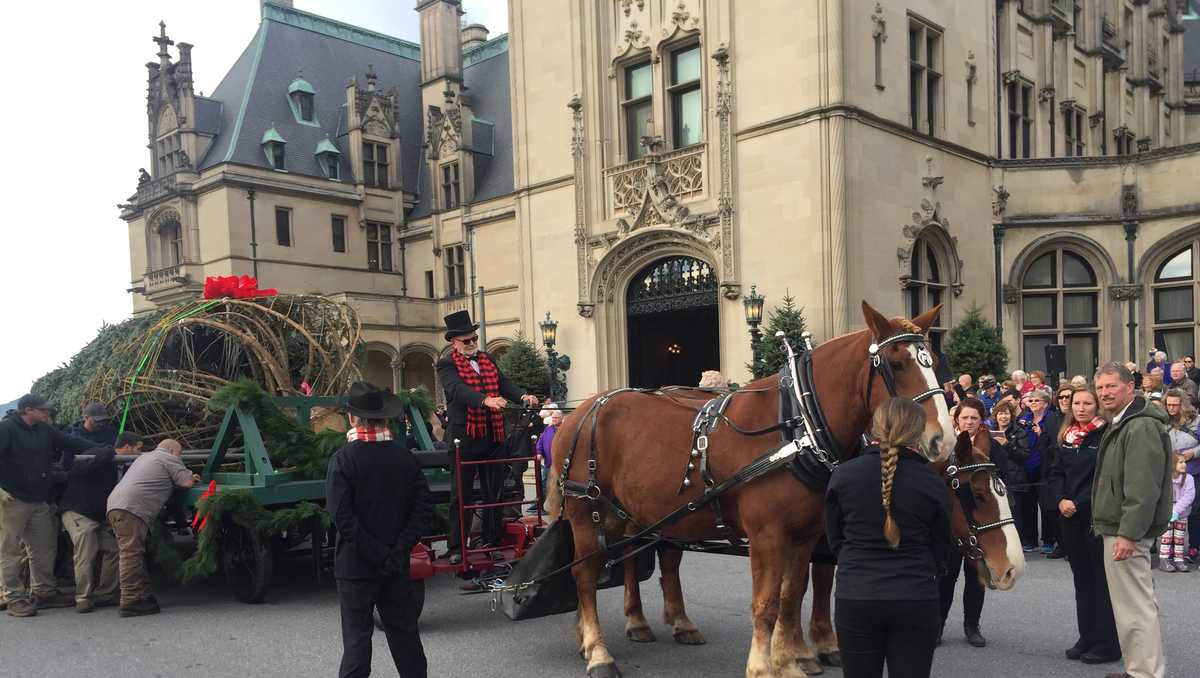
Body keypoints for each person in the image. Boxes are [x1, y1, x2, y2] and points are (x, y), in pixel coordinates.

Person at [825, 397, 951, 678]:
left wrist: (854, 562)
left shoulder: (844, 475)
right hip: (915, 595)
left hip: (857, 593)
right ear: (918, 432)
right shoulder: (931, 482)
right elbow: (942, 545)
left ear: (875, 427)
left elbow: (834, 538)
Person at [327, 382, 433, 678]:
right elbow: (423, 508)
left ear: (352, 418)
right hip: (396, 565)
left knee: (357, 642)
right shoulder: (405, 457)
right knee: (406, 639)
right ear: (384, 418)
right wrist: (398, 550)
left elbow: (342, 518)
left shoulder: (343, 460)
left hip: (355, 566)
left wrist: (376, 553)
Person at [436, 310, 539, 565]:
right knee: (462, 495)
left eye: (474, 338)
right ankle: (457, 546)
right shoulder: (447, 364)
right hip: (465, 437)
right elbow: (457, 390)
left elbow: (504, 383)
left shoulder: (487, 359)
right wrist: (485, 400)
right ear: (454, 342)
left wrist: (523, 396)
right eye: (467, 340)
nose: (472, 343)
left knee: (494, 492)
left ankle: (491, 541)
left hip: (493, 436)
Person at [1092, 361, 1172, 678]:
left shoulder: (1139, 426)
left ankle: (1145, 673)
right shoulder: (1126, 422)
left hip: (1126, 532)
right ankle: (1138, 668)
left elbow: (1142, 487)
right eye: (1100, 387)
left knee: (1135, 607)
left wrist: (1128, 533)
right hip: (1122, 528)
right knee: (1131, 606)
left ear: (1129, 387)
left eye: (1111, 386)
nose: (1104, 392)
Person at [1044, 386, 1120, 665]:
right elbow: (1054, 473)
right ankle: (1086, 637)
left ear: (1097, 405)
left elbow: (1104, 477)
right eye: (1077, 403)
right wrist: (1060, 499)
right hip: (1068, 517)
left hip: (1095, 516)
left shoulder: (1105, 434)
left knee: (1101, 582)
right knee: (1082, 581)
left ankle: (1107, 643)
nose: (1081, 408)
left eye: (1087, 403)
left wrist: (1078, 502)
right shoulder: (1066, 436)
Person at [0, 394, 94, 617]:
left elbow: (70, 441)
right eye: (43, 410)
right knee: (10, 551)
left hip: (39, 499)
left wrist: (103, 448)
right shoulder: (6, 429)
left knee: (44, 548)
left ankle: (44, 592)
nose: (47, 413)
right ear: (28, 410)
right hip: (12, 500)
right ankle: (14, 598)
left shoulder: (44, 429)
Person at [106, 438, 199, 617]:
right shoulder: (167, 457)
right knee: (131, 554)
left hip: (117, 504)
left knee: (133, 552)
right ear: (172, 450)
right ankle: (130, 601)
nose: (179, 457)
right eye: (179, 453)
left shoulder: (144, 457)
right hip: (133, 508)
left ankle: (143, 596)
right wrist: (192, 477)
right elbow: (186, 482)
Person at [939, 398, 1003, 648]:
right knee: (945, 577)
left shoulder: (992, 447)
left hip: (980, 522)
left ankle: (972, 626)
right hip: (952, 522)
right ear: (956, 420)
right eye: (965, 417)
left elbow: (1001, 481)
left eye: (974, 418)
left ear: (981, 420)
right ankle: (937, 625)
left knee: (977, 578)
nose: (969, 422)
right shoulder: (945, 446)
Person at [60, 432, 143, 613]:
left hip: (98, 516)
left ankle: (105, 593)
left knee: (114, 548)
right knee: (86, 552)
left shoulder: (124, 467)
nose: (139, 453)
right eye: (138, 448)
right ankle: (83, 598)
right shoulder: (99, 455)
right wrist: (106, 454)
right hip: (79, 512)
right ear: (127, 447)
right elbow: (75, 470)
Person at [1018, 389, 1060, 555]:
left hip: (1044, 466)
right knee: (1028, 506)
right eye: (1031, 401)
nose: (1033, 403)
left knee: (1046, 506)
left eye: (1037, 401)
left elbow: (1054, 441)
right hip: (1027, 465)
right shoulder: (1024, 418)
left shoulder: (1051, 418)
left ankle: (1048, 540)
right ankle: (1030, 539)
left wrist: (1041, 433)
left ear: (1046, 403)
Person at [1165, 390, 1200, 563]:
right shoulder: (1163, 420)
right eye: (1168, 405)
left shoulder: (1196, 421)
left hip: (1192, 470)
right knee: (1169, 508)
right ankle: (1169, 547)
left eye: (1175, 405)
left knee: (1194, 510)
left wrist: (1193, 453)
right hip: (1169, 472)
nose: (1171, 408)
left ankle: (1194, 546)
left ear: (1183, 405)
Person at [1158, 453, 1194, 573]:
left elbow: (1189, 496)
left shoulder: (1189, 478)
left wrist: (1176, 510)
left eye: (1185, 462)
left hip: (1181, 513)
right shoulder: (1165, 478)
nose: (1184, 464)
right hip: (1167, 512)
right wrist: (1168, 511)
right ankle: (1164, 559)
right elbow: (1162, 496)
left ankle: (1179, 560)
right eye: (1180, 462)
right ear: (1172, 464)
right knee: (1166, 537)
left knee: (1179, 537)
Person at [531, 405, 561, 514]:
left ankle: (559, 507)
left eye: (556, 418)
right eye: (553, 418)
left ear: (561, 418)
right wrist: (539, 453)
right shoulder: (548, 429)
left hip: (560, 464)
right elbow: (540, 442)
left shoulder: (564, 429)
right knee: (544, 485)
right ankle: (540, 506)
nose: (554, 420)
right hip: (548, 463)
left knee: (558, 486)